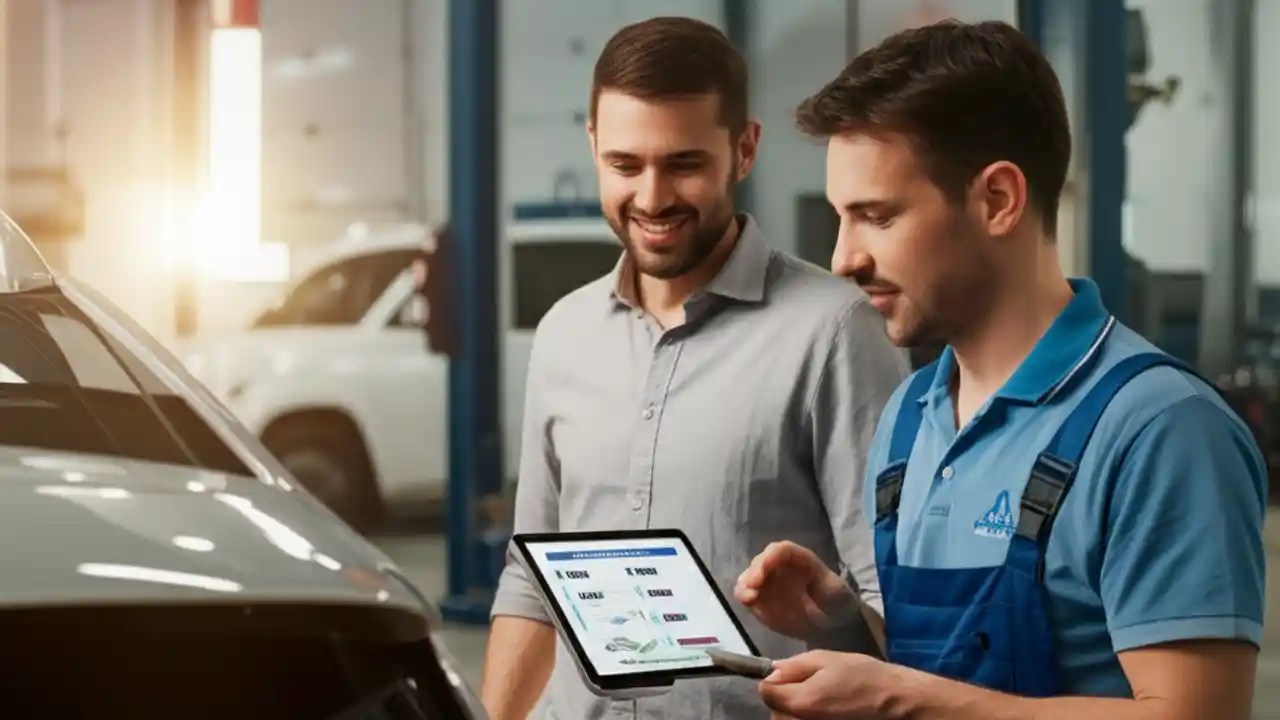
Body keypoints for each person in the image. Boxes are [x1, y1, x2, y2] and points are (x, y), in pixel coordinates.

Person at [734, 19, 1266, 720]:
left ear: (998, 200)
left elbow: (1193, 716)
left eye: (877, 216)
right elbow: (942, 673)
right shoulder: (909, 417)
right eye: (841, 218)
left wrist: (900, 698)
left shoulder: (1161, 430)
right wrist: (840, 624)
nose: (843, 258)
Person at [481, 16, 909, 720]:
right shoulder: (565, 334)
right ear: (592, 146)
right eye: (625, 165)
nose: (651, 199)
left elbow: (887, 606)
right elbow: (531, 585)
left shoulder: (834, 332)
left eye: (683, 164)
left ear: (744, 149)